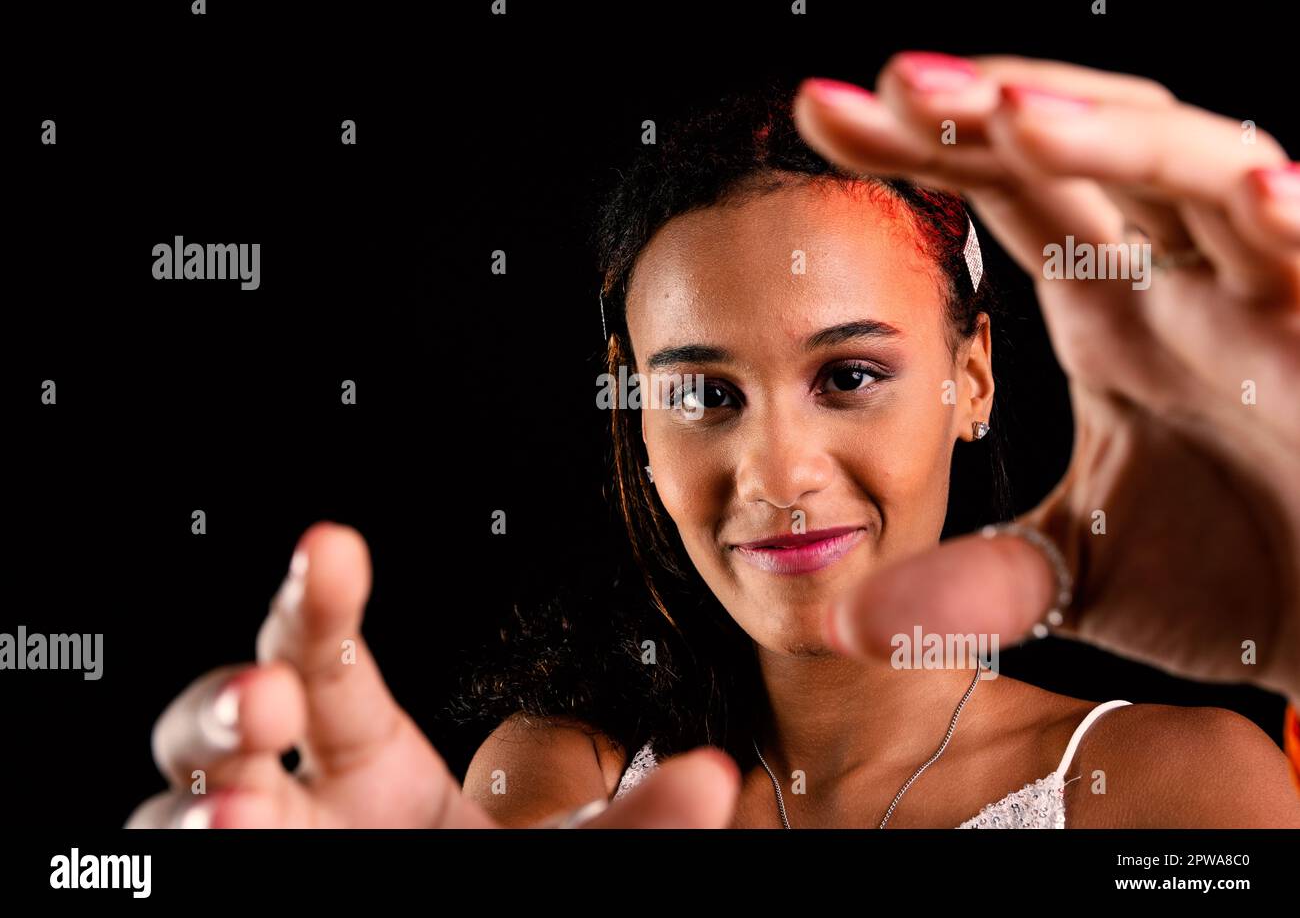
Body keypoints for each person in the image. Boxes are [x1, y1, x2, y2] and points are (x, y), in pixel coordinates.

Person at [126, 54, 1300, 829]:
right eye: (703, 394)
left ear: (973, 377)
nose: (779, 473)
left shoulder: (1173, 791)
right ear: (633, 417)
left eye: (848, 374)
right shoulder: (559, 782)